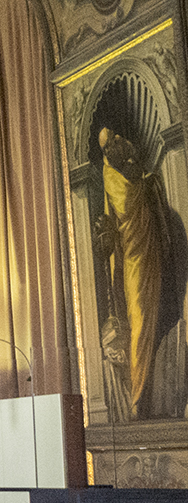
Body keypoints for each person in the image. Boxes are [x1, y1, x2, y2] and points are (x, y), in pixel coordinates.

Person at [95, 126, 167, 419]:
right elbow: (109, 236)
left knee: (155, 319)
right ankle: (138, 396)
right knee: (139, 320)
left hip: (152, 257)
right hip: (134, 261)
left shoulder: (142, 180)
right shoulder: (112, 181)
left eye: (117, 136)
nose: (118, 141)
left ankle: (152, 393)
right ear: (106, 154)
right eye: (111, 141)